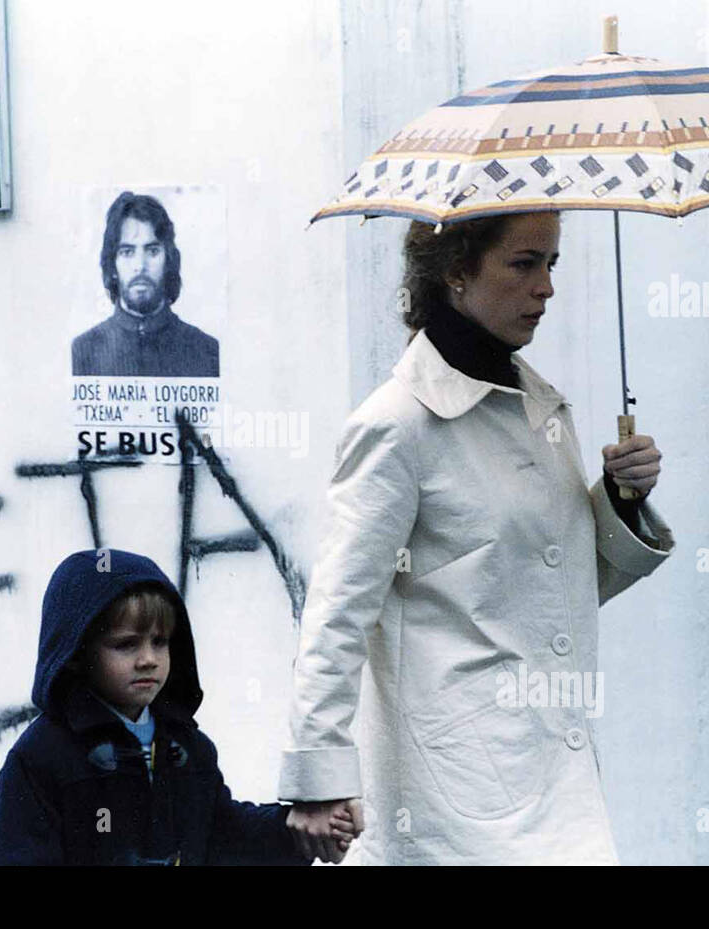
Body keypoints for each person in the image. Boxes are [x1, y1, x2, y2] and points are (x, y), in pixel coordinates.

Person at [278, 211, 676, 865]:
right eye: (524, 263)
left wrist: (621, 499)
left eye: (553, 263)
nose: (546, 287)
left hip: (550, 768)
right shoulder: (397, 425)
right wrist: (318, 781)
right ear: (458, 271)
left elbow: (546, 591)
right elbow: (336, 614)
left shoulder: (538, 410)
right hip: (454, 798)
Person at [0, 548, 350, 865]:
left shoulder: (187, 748)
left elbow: (225, 836)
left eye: (160, 642)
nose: (148, 659)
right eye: (126, 645)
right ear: (77, 654)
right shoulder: (42, 758)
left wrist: (294, 828)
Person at [71, 192, 220, 377]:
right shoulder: (82, 353)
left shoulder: (207, 352)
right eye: (127, 252)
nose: (140, 266)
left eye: (152, 251)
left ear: (169, 260)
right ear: (113, 264)